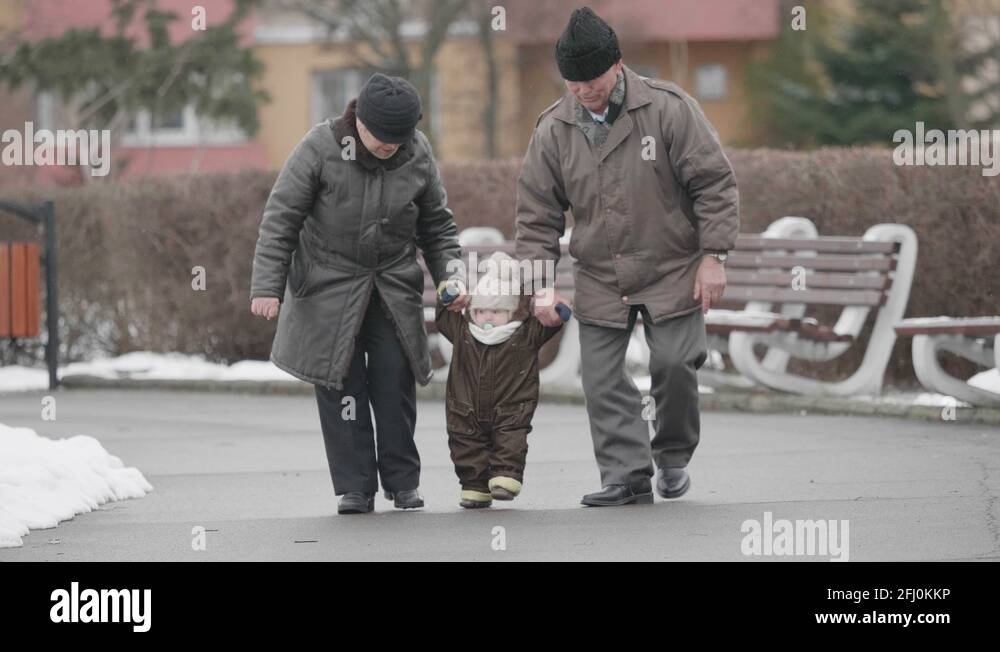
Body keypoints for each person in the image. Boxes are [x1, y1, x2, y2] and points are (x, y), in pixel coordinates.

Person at [515, 7, 740, 506]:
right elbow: (536, 216)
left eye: (590, 80)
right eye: (571, 83)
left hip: (672, 265)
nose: (580, 92)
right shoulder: (553, 130)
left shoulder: (669, 109)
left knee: (676, 363)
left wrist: (714, 255)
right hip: (600, 272)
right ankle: (626, 474)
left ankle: (673, 455)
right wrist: (539, 284)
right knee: (599, 377)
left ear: (616, 65)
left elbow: (713, 184)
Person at [249, 73, 469, 515]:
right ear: (359, 121)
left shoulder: (417, 151)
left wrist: (452, 275)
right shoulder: (320, 147)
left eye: (398, 139)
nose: (389, 146)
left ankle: (403, 483)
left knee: (394, 380)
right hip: (328, 284)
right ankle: (355, 487)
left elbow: (438, 227)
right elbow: (281, 219)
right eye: (381, 138)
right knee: (341, 387)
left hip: (391, 283)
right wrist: (266, 287)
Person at [434, 252, 563, 509]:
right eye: (481, 311)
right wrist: (447, 294)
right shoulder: (463, 332)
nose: (487, 317)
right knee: (465, 444)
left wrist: (556, 310)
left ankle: (506, 476)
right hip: (465, 407)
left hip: (511, 408)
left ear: (512, 312)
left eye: (496, 311)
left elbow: (549, 323)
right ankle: (474, 485)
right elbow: (444, 315)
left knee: (511, 440)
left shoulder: (524, 334)